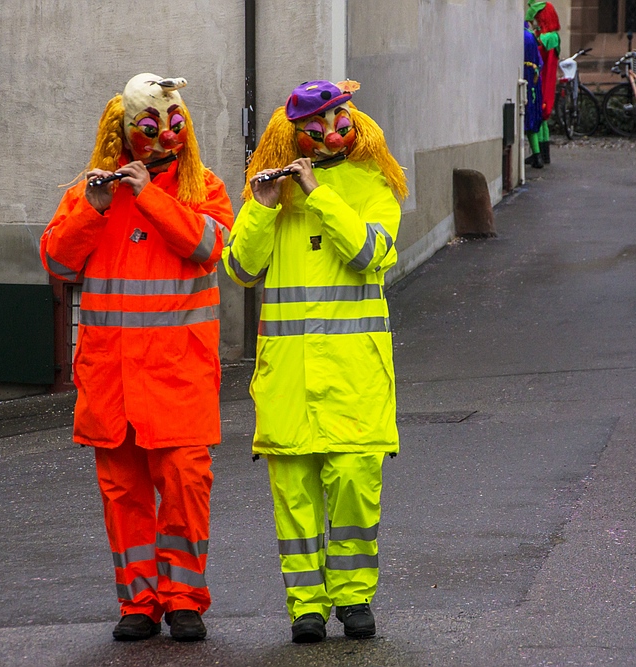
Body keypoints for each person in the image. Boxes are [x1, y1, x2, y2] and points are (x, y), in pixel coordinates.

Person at [40, 73, 234, 642]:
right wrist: (94, 210)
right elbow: (57, 263)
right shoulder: (90, 193)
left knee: (185, 487)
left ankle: (183, 600)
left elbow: (207, 248)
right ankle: (139, 604)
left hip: (177, 377)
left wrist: (147, 194)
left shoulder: (203, 189)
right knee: (123, 496)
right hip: (111, 383)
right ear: (124, 130)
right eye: (151, 127)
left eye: (175, 125)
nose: (166, 136)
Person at [222, 80, 406, 644]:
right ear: (295, 132)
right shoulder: (275, 197)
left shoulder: (375, 185)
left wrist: (320, 193)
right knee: (295, 498)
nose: (329, 137)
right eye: (316, 129)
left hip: (355, 377)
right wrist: (259, 207)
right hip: (291, 381)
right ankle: (305, 605)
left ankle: (353, 600)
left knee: (354, 487)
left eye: (339, 124)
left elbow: (370, 253)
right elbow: (242, 269)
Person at [525, 1, 561, 164]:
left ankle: (538, 154)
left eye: (537, 21)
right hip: (547, 79)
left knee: (538, 114)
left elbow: (535, 51)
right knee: (543, 116)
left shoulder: (544, 38)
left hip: (539, 79)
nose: (535, 25)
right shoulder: (554, 37)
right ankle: (545, 155)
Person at [524, 24, 545, 169]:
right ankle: (538, 154)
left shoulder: (521, 35)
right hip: (535, 78)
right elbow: (541, 62)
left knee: (525, 115)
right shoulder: (530, 35)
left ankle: (537, 157)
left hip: (525, 76)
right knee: (532, 115)